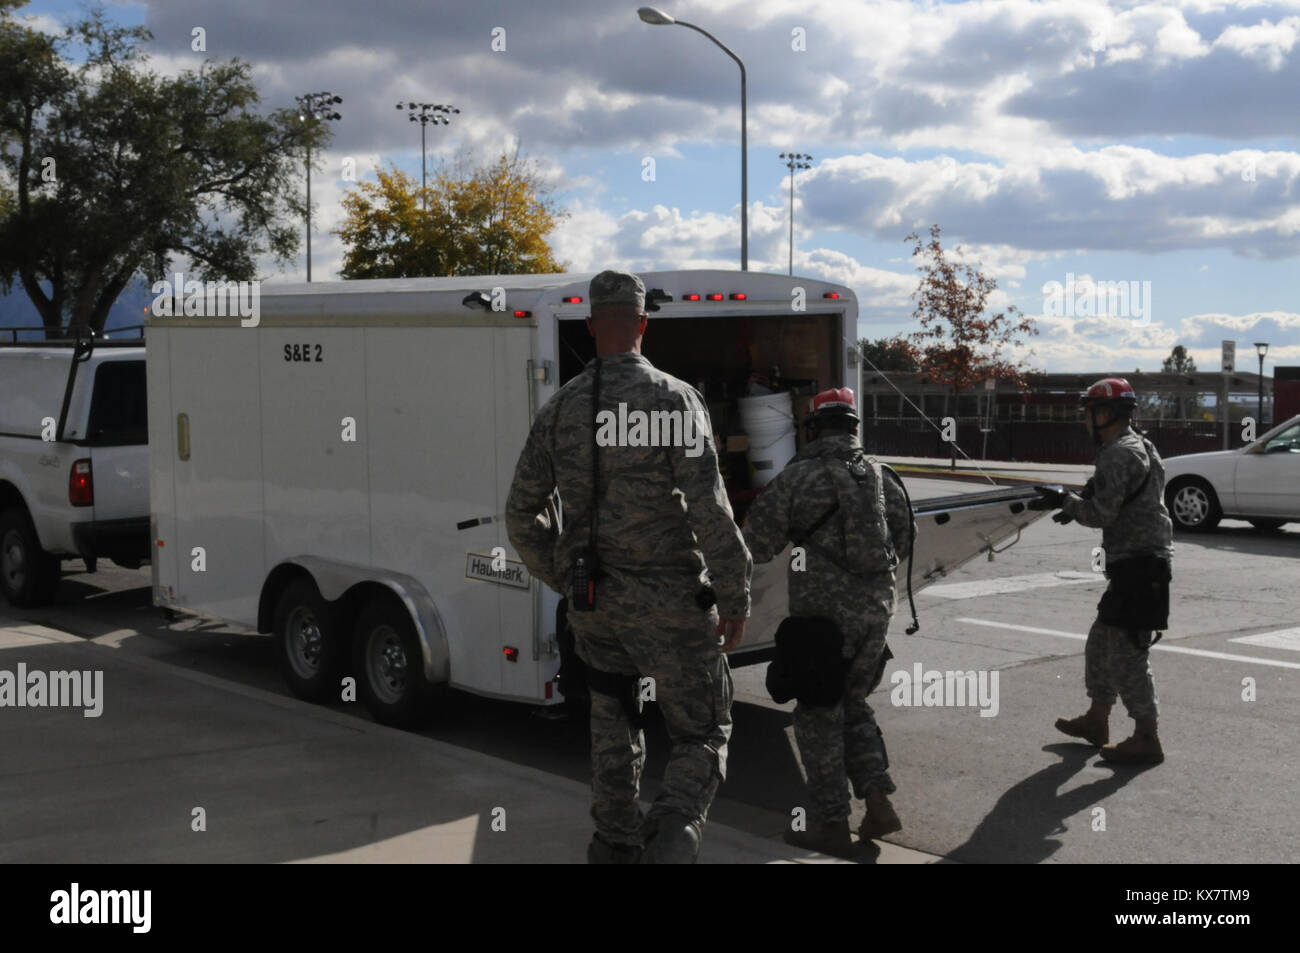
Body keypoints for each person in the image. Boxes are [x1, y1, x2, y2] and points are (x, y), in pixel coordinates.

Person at [505, 269, 752, 864]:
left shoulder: (561, 408)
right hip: (671, 603)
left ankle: (614, 842)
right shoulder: (675, 400)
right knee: (702, 729)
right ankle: (673, 829)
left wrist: (564, 577)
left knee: (613, 722)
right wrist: (734, 594)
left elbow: (520, 515)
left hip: (595, 605)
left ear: (590, 326)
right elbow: (710, 511)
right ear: (643, 323)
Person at [741, 387, 914, 857]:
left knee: (818, 717)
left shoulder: (798, 478)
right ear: (854, 427)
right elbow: (903, 537)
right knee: (853, 703)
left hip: (822, 622)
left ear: (814, 429)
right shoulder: (883, 476)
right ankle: (877, 800)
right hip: (876, 613)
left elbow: (754, 546)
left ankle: (831, 824)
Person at [1030, 377, 1173, 765]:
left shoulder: (1118, 453)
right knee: (1100, 643)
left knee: (1127, 655)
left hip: (1140, 568)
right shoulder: (1137, 445)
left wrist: (1069, 502)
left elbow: (1101, 514)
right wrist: (1080, 498)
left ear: (1105, 413)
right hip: (1137, 566)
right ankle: (1097, 720)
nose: (1084, 420)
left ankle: (1147, 736)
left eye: (1089, 412)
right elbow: (1111, 491)